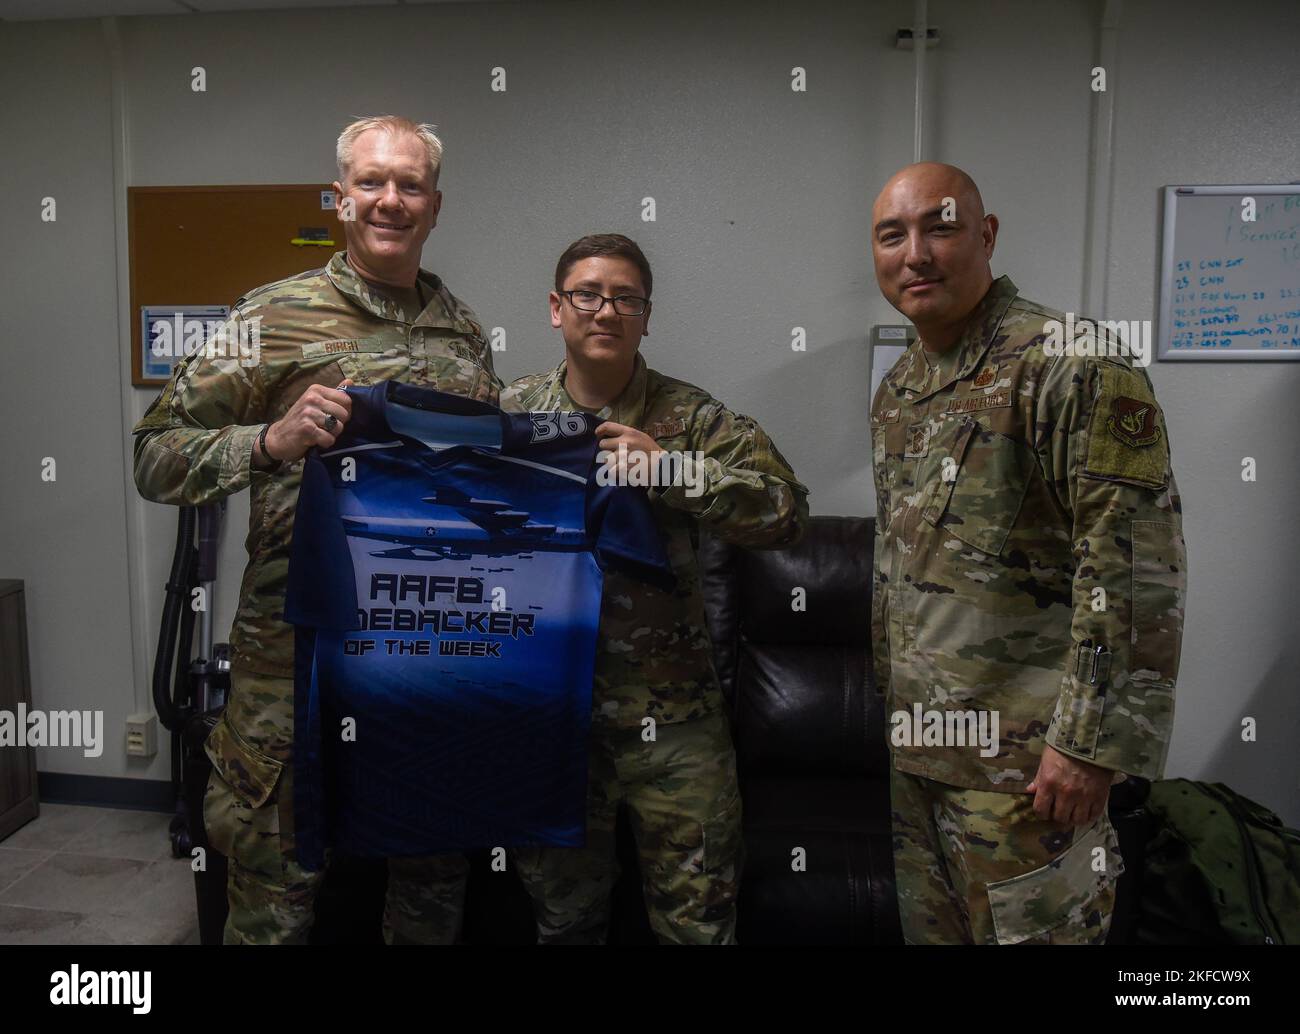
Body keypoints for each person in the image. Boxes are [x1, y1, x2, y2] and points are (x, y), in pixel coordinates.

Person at [133, 115, 500, 944]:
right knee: (276, 887)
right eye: (372, 182)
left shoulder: (465, 331)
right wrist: (267, 441)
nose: (390, 200)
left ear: (435, 206)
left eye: (410, 185)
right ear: (341, 197)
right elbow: (155, 456)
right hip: (292, 656)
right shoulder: (275, 316)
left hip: (425, 650)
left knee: (431, 874)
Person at [868, 163, 1187, 944]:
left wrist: (1088, 747)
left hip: (1031, 775)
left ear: (987, 234)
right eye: (892, 235)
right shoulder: (900, 387)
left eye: (939, 226)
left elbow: (1135, 568)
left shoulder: (1074, 363)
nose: (916, 253)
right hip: (922, 756)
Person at [501, 233, 808, 944]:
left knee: (698, 925)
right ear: (556, 308)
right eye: (587, 294)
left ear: (647, 314)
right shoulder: (511, 416)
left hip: (674, 720)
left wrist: (675, 471)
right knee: (564, 922)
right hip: (552, 714)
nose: (605, 311)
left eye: (625, 298)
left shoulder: (691, 418)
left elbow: (787, 512)